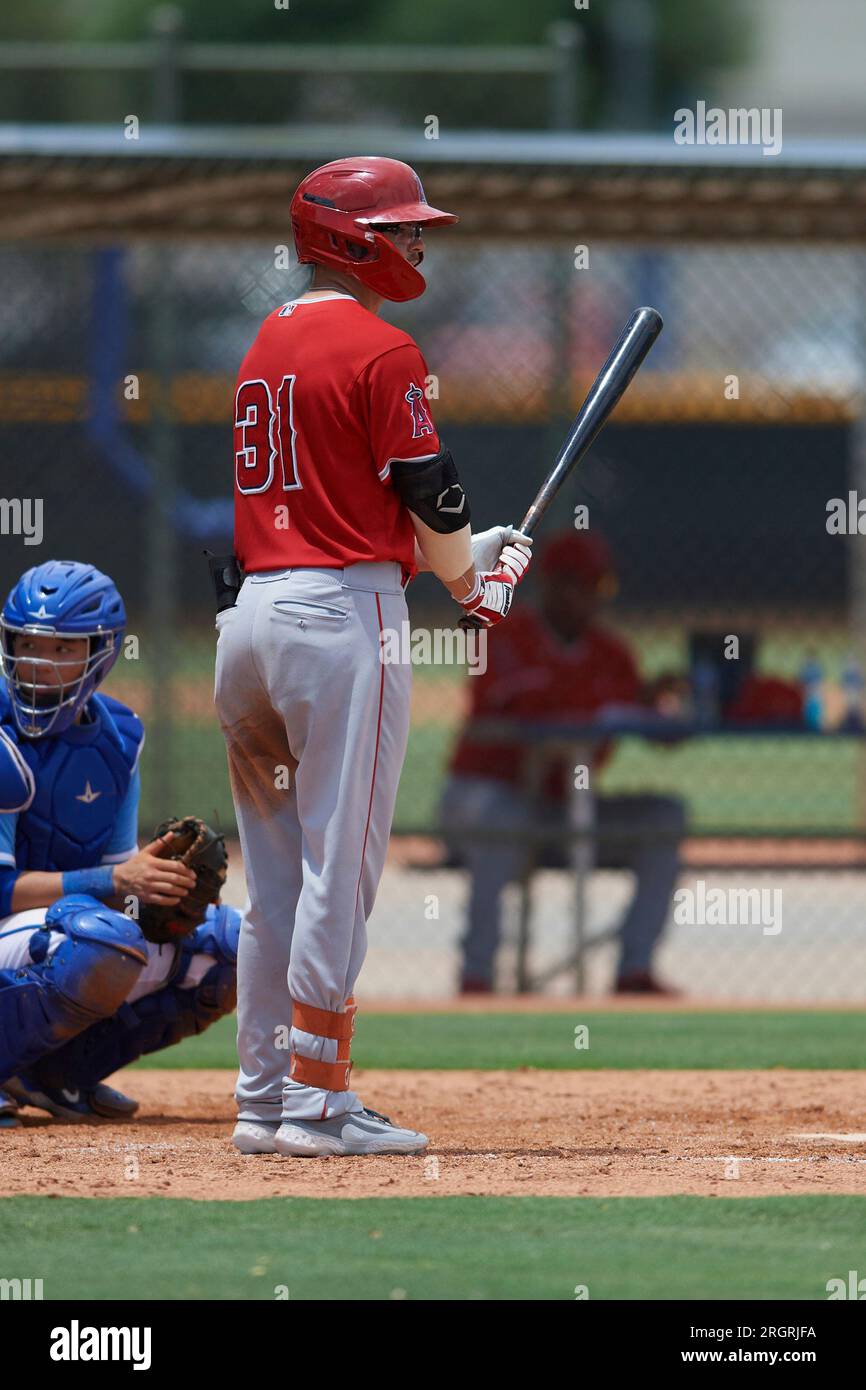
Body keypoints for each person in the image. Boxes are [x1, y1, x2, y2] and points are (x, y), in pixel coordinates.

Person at [216, 155, 531, 1159]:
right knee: (338, 866)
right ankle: (316, 1101)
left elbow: (378, 504)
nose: (414, 242)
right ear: (348, 238)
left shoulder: (262, 342)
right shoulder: (382, 344)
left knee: (269, 881)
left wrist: (462, 557)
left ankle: (263, 1099)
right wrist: (469, 580)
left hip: (254, 615)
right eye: (398, 227)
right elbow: (430, 495)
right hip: (342, 617)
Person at [0, 559, 242, 1130]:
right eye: (27, 644)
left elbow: (116, 877)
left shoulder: (118, 739)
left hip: (49, 929)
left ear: (102, 653)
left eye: (62, 649)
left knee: (225, 949)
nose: (37, 663)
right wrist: (113, 885)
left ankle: (55, 1075)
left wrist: (156, 888)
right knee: (99, 940)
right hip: (21, 925)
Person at [441, 530, 686, 994]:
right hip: (487, 796)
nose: (594, 600)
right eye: (583, 586)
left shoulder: (612, 654)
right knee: (499, 821)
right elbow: (526, 715)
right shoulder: (504, 637)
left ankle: (634, 970)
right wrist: (604, 703)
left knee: (665, 817)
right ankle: (477, 981)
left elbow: (657, 729)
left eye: (601, 588)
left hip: (562, 809)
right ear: (551, 585)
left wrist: (674, 704)